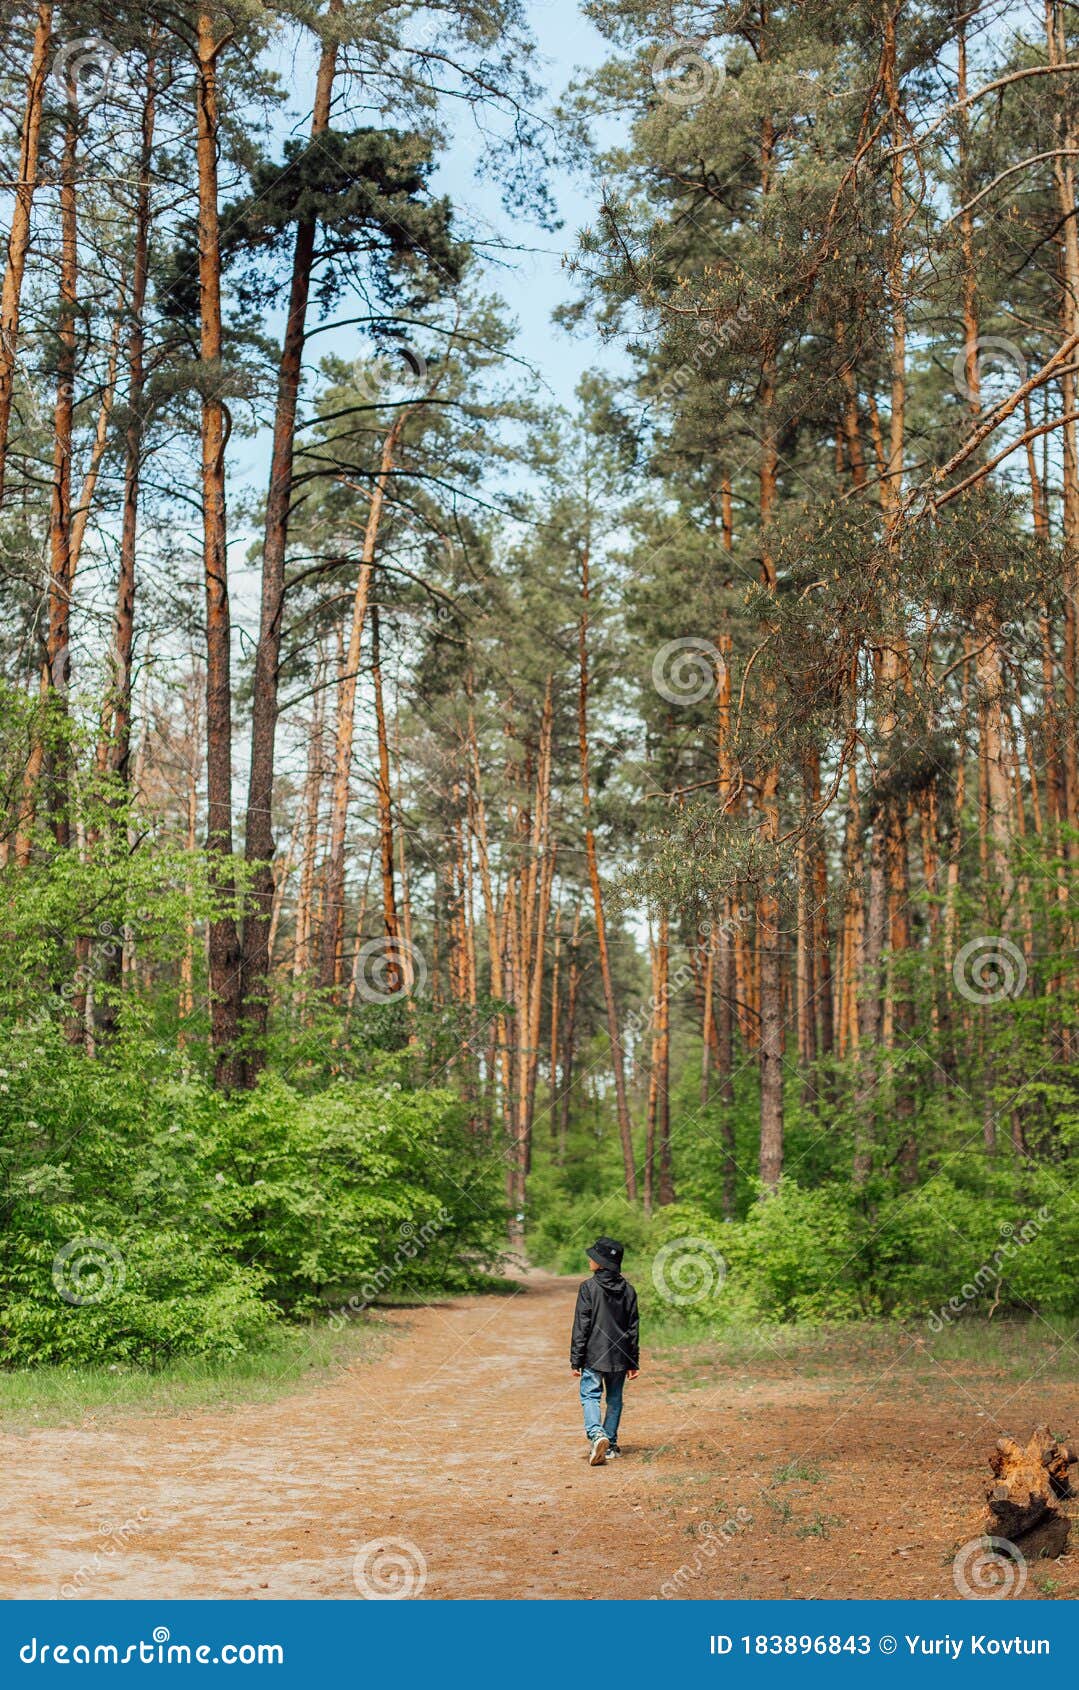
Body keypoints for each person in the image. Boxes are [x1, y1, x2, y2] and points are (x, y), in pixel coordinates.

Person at [570, 1236, 639, 1465]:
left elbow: (582, 1324)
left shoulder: (588, 1287)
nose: (590, 1259)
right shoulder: (629, 1290)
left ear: (601, 1262)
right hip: (620, 1356)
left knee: (590, 1395)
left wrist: (576, 1360)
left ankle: (597, 1434)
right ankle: (611, 1444)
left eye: (594, 1256)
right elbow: (632, 1328)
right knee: (615, 1398)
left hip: (594, 1354)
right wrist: (633, 1361)